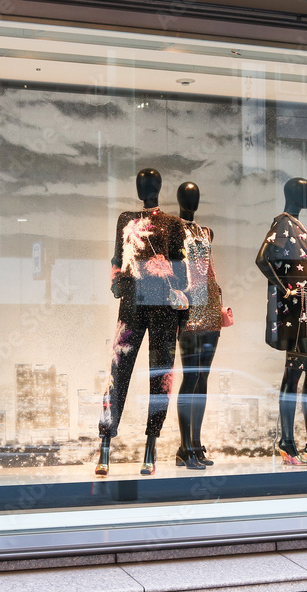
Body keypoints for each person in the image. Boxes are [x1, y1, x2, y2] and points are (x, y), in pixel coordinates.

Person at [97, 168, 188, 476]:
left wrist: (168, 270)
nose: (143, 185)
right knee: (118, 372)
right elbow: (116, 258)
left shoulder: (174, 224)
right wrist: (116, 283)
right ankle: (105, 444)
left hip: (163, 307)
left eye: (148, 182)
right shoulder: (126, 219)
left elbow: (185, 274)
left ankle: (151, 446)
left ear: (159, 186)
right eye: (139, 181)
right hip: (133, 304)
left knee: (160, 379)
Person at [255, 177, 307, 468]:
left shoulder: (294, 225)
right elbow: (263, 258)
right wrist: (286, 288)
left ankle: (289, 443)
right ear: (293, 193)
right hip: (299, 312)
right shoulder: (284, 223)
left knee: (300, 373)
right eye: (304, 189)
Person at [175, 182, 222, 471]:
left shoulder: (206, 232)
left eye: (196, 195)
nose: (193, 200)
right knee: (190, 377)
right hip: (188, 309)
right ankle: (184, 447)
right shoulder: (172, 230)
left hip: (210, 309)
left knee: (202, 378)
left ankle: (195, 443)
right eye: (188, 195)